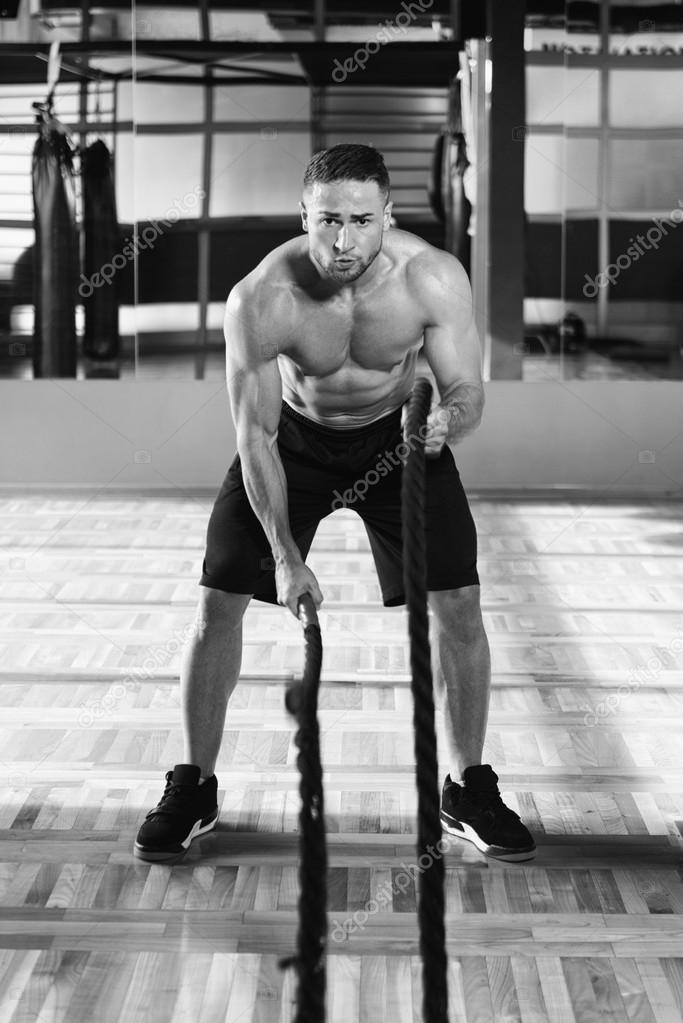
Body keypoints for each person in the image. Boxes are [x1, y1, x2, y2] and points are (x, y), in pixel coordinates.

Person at [134, 143, 536, 864]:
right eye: (326, 222)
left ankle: (465, 785)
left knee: (459, 603)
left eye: (358, 220)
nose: (342, 241)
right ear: (303, 215)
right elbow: (254, 435)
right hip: (292, 441)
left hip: (401, 442)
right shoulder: (260, 298)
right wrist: (285, 558)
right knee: (218, 598)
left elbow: (467, 389)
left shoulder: (431, 278)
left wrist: (450, 420)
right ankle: (192, 783)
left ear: (388, 214)